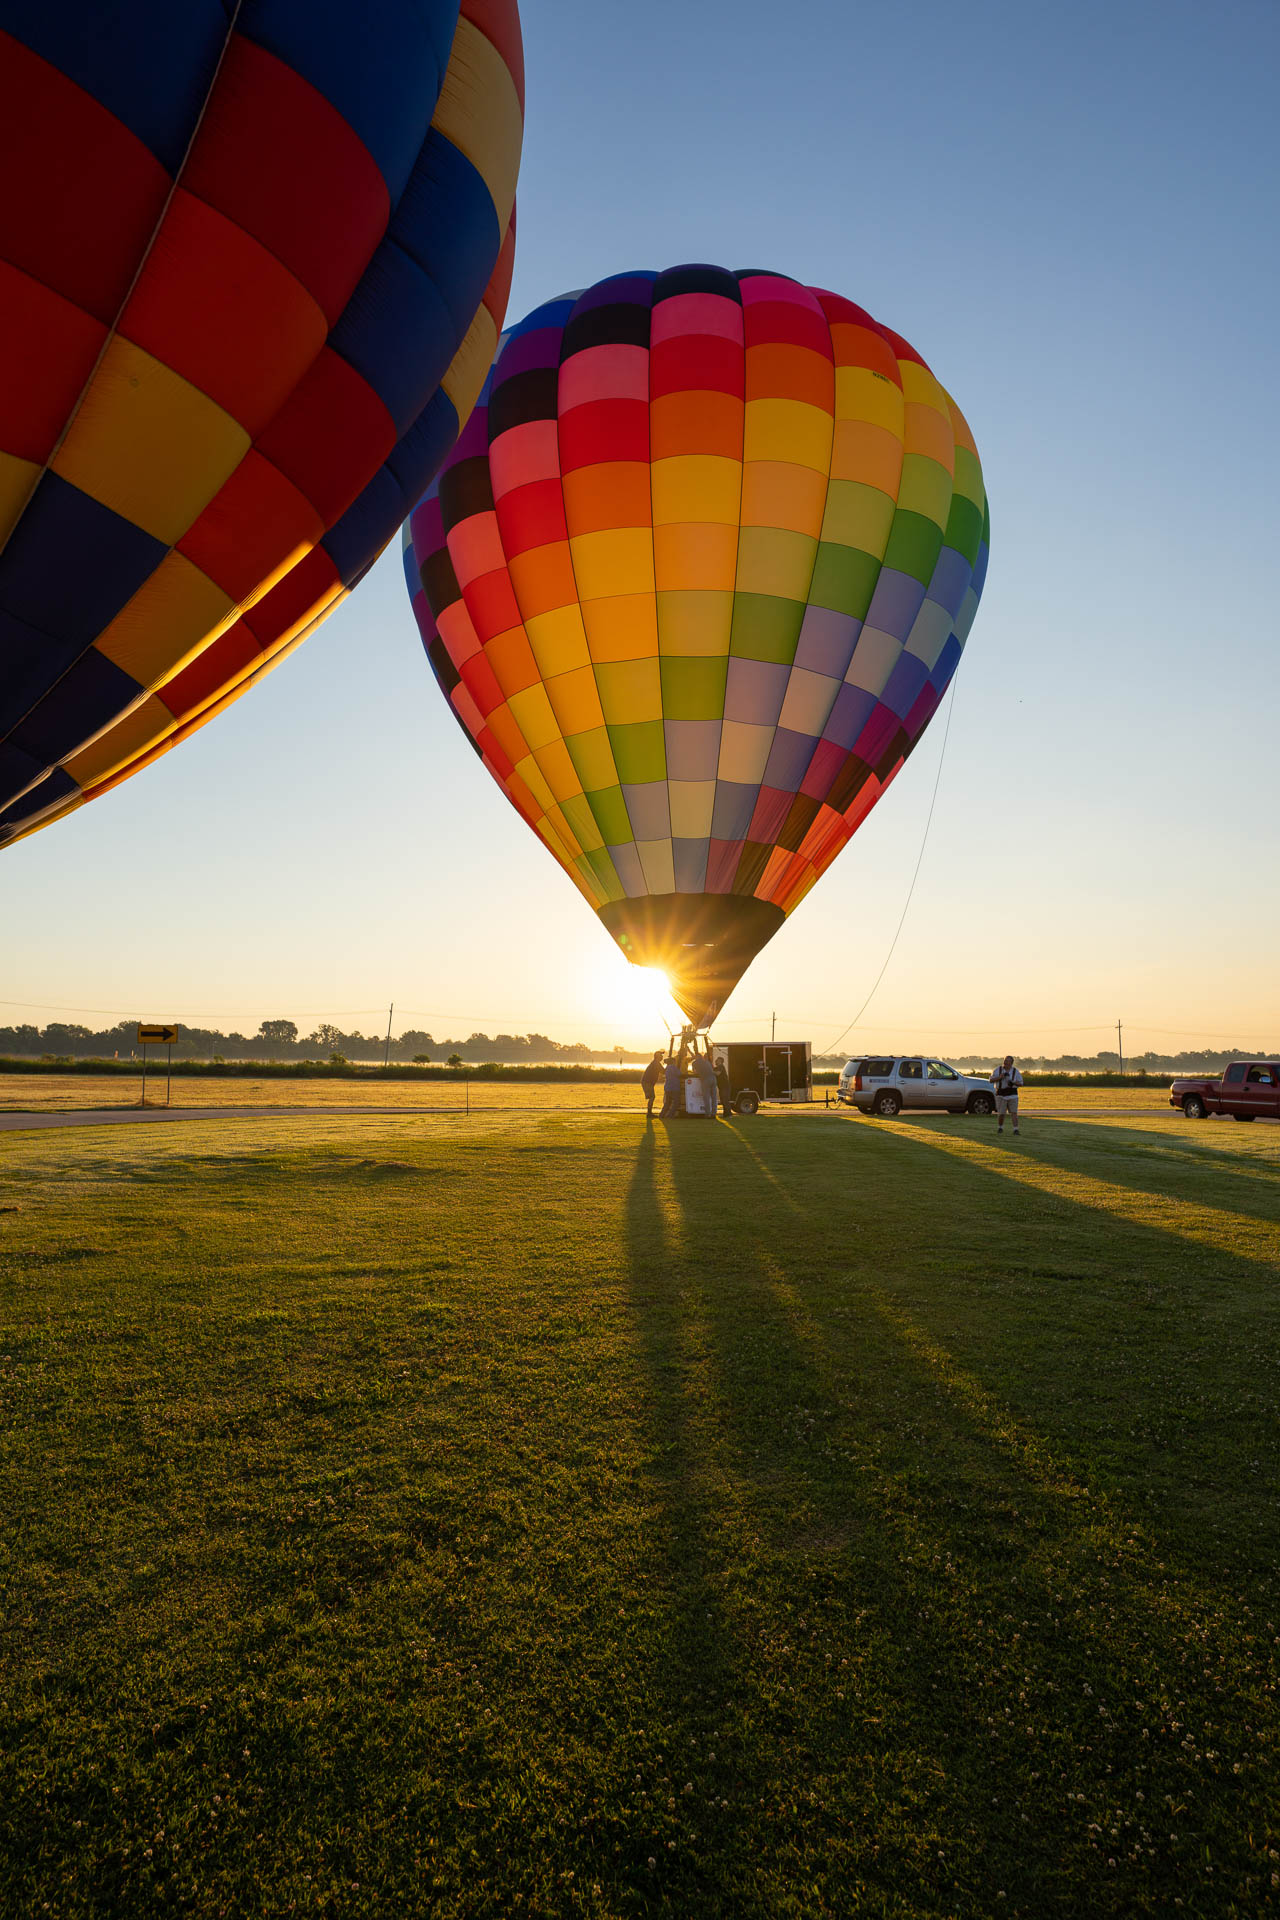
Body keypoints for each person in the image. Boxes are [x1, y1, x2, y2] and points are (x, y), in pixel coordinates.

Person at [990, 1054, 1023, 1135]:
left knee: (1014, 1112)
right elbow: (991, 1080)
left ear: (1011, 1063)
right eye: (1005, 1061)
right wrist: (1000, 1077)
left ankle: (1016, 1129)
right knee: (1001, 1113)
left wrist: (1013, 1082)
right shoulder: (998, 1070)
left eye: (1008, 1061)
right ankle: (1000, 1127)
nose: (1005, 1063)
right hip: (1001, 1093)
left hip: (1012, 1093)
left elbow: (1021, 1083)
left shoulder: (1015, 1071)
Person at [695, 1050, 718, 1119]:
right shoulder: (707, 1062)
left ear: (697, 1057)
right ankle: (714, 1113)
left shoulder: (695, 1062)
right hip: (713, 1079)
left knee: (706, 1097)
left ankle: (707, 1114)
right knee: (714, 1097)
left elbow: (695, 1071)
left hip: (706, 1080)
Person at [660, 1051, 683, 1119]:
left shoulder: (667, 1068)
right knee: (676, 1102)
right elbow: (680, 1074)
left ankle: (662, 1115)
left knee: (667, 1103)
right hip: (674, 1087)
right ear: (673, 1062)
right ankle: (670, 1115)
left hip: (667, 1087)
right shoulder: (673, 1067)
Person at [641, 1049, 663, 1117]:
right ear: (657, 1056)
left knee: (651, 1097)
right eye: (661, 1055)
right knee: (652, 1097)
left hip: (647, 1082)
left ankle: (649, 1113)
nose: (662, 1057)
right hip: (647, 1082)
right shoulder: (656, 1063)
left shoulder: (655, 1063)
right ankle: (649, 1113)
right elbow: (663, 1071)